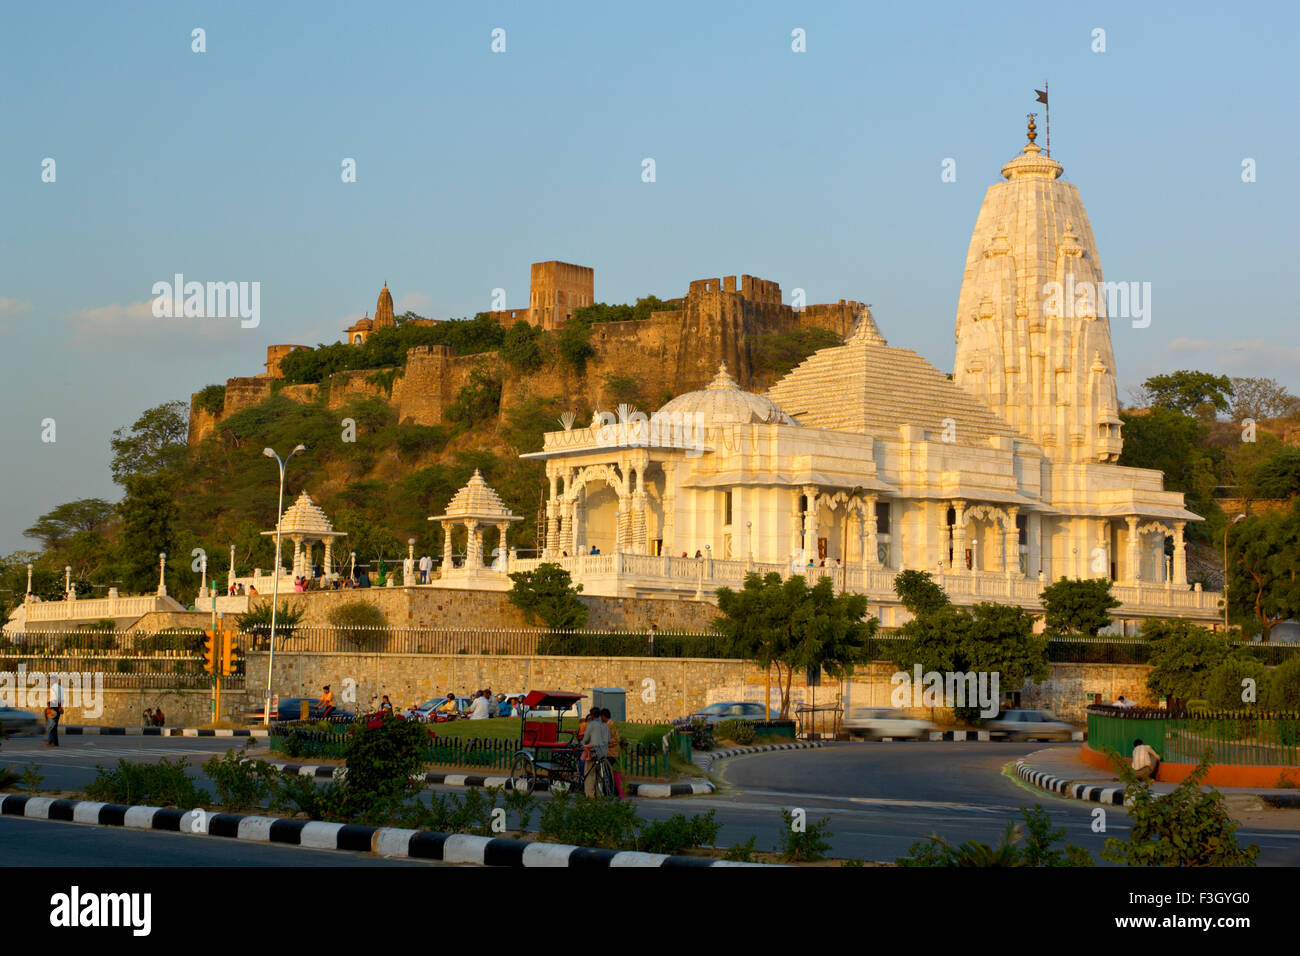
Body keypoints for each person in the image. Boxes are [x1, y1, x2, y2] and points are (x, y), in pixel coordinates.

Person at [581, 708, 610, 797]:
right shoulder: (605, 725)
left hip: (593, 753)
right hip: (603, 753)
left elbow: (586, 739)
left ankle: (590, 795)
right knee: (598, 775)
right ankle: (599, 794)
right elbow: (608, 740)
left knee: (589, 774)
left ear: (592, 715)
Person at [601, 708, 625, 798]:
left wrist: (605, 743)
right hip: (612, 752)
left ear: (603, 716)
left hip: (610, 752)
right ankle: (612, 791)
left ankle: (608, 791)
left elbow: (615, 739)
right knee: (610, 772)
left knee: (607, 772)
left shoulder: (609, 725)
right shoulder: (611, 724)